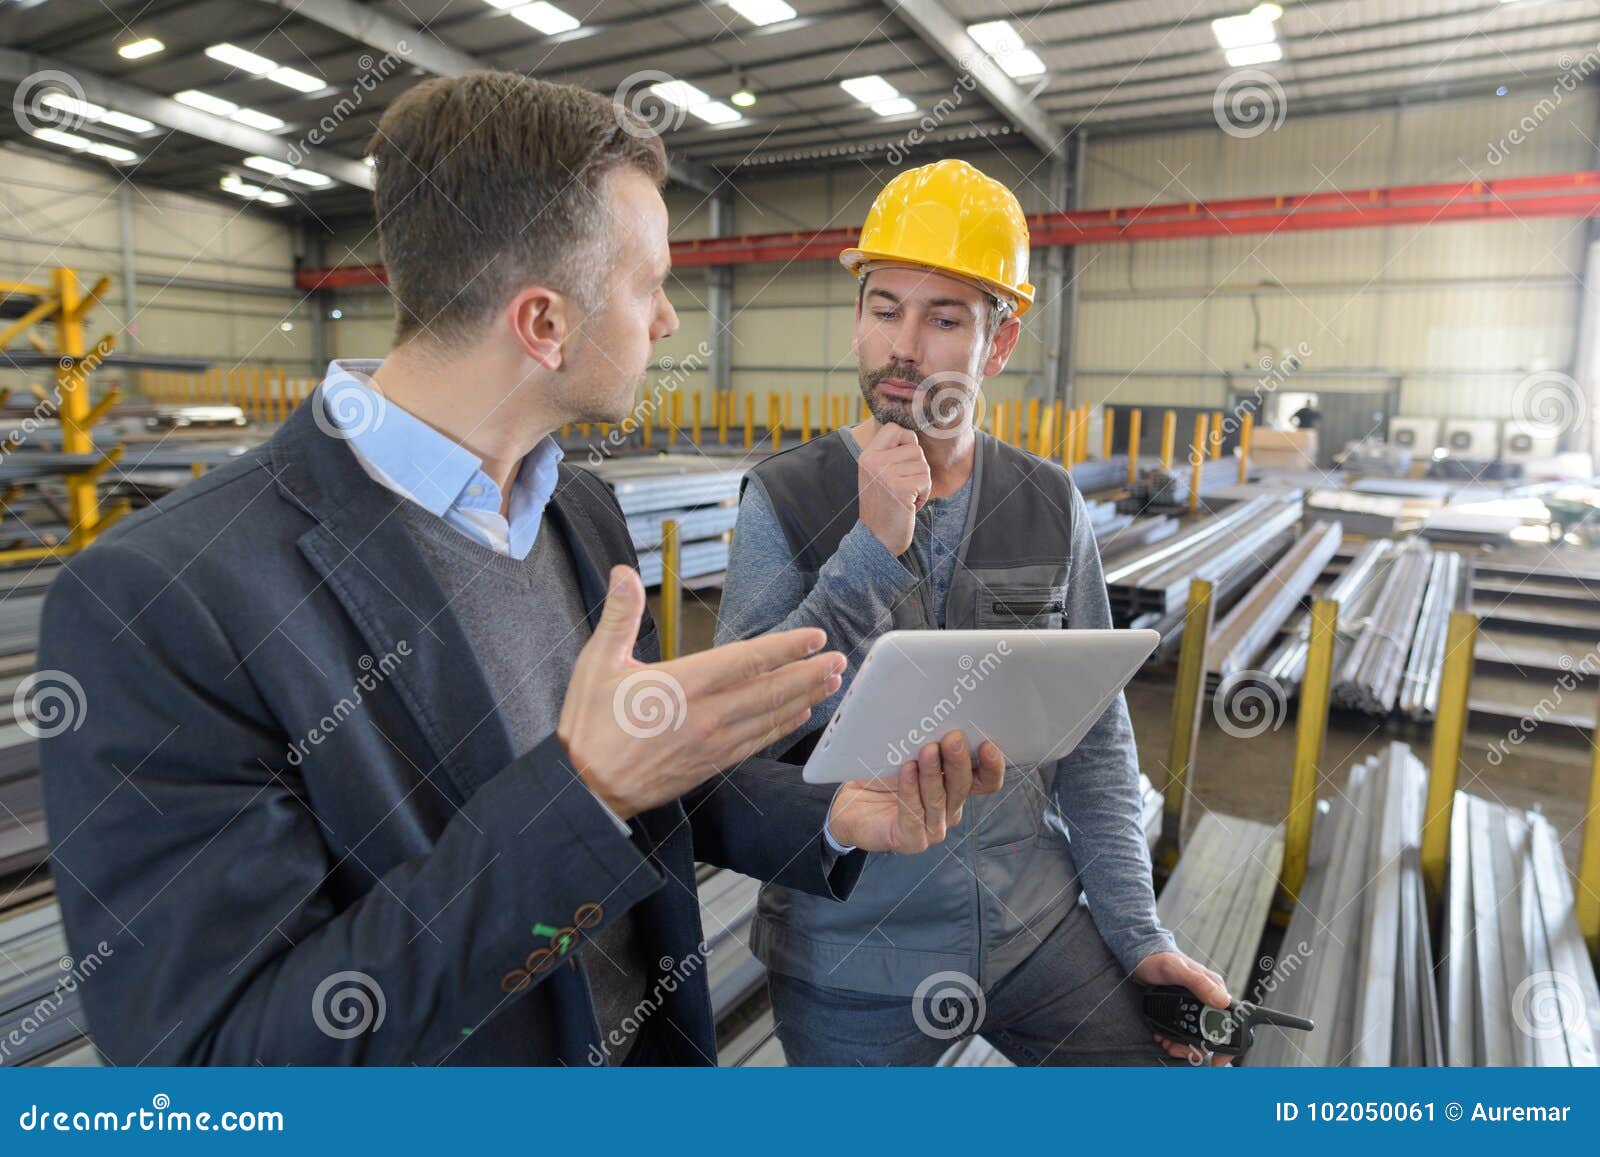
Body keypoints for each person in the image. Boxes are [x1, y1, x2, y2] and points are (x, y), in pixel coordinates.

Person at [34, 73, 1004, 1067]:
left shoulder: (575, 510)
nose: (669, 321)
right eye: (649, 285)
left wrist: (832, 815)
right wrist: (575, 794)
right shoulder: (162, 601)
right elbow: (219, 1066)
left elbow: (648, 781)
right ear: (542, 324)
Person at [716, 159, 1229, 1066]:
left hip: (1031, 922)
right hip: (851, 955)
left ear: (998, 343)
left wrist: (1138, 935)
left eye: (944, 317)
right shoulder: (786, 497)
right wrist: (869, 550)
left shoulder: (1047, 500)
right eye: (884, 308)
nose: (903, 345)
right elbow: (740, 743)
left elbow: (1096, 741)